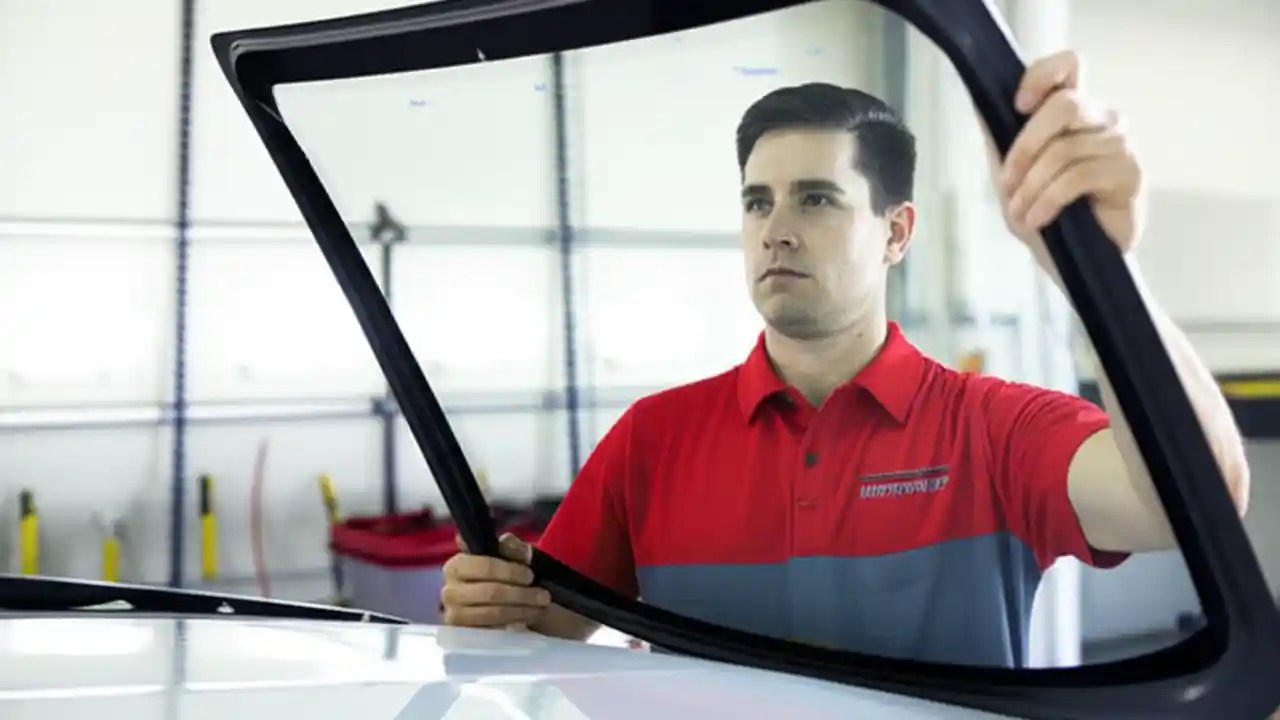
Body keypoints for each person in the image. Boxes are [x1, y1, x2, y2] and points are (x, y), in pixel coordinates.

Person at [439, 51, 1251, 667]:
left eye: (816, 199)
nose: (775, 229)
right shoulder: (652, 439)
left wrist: (1098, 268)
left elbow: (1197, 502)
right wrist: (488, 605)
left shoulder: (994, 427)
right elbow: (543, 630)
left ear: (896, 232)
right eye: (758, 202)